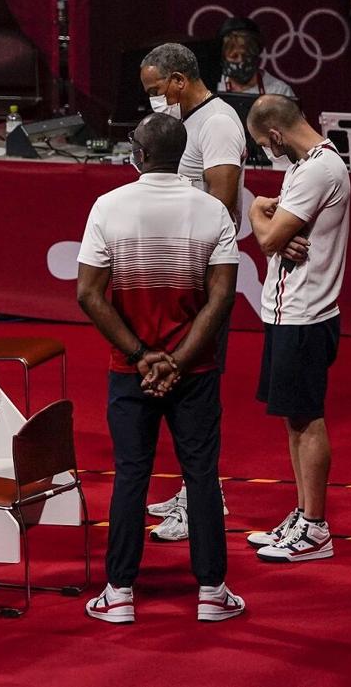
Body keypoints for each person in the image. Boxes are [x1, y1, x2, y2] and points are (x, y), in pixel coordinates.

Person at [77, 112, 244, 623]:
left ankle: (120, 594)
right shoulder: (213, 212)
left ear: (140, 155)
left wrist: (140, 357)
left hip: (131, 373)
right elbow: (221, 300)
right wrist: (177, 360)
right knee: (201, 474)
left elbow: (88, 293)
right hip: (193, 373)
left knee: (131, 474)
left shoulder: (109, 206)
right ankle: (213, 593)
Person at [138, 43, 246, 541]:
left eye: (157, 91)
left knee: (197, 391)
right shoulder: (186, 123)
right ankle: (192, 488)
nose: (155, 101)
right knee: (181, 389)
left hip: (203, 277)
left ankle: (205, 500)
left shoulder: (218, 124)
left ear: (179, 81)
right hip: (180, 272)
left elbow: (223, 208)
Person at [245, 95, 350, 563]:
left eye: (262, 145)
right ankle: (303, 510)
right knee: (293, 417)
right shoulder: (303, 166)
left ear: (275, 135)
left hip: (305, 313)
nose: (266, 153)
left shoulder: (315, 171)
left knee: (307, 417)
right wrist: (276, 233)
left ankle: (316, 528)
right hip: (287, 310)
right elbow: (279, 240)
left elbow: (268, 236)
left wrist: (257, 214)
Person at [215, 17, 299, 99]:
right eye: (234, 56)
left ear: (256, 54)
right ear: (223, 57)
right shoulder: (211, 90)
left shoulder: (279, 92)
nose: (240, 60)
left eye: (246, 55)